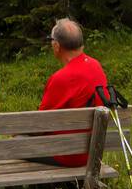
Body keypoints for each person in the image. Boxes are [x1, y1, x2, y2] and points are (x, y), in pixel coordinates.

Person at [34, 18, 109, 166]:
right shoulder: (96, 66)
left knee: (15, 144)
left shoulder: (60, 79)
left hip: (66, 154)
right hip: (92, 150)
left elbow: (40, 125)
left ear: (56, 45)